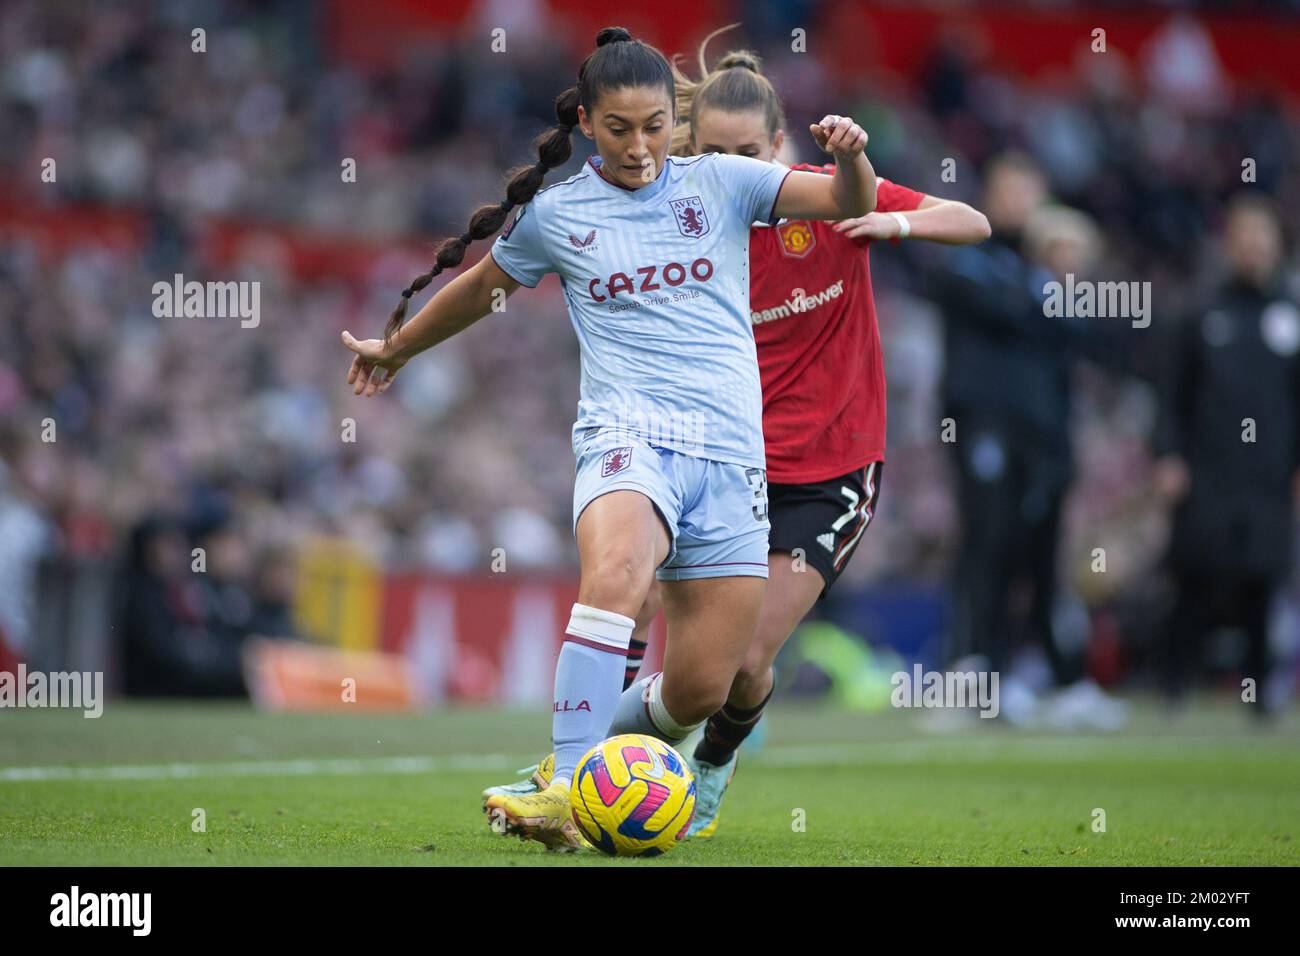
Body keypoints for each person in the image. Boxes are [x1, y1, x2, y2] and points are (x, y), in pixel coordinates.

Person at [341, 26, 878, 849]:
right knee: (619, 571)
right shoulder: (557, 217)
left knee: (702, 686)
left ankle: (585, 766)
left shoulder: (725, 183)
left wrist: (849, 158)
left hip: (733, 461)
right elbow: (484, 288)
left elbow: (850, 206)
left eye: (656, 126)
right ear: (586, 122)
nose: (639, 147)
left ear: (677, 119)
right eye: (620, 128)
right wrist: (400, 348)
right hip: (629, 437)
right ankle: (565, 782)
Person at [483, 25, 989, 838]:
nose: (737, 164)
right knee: (650, 615)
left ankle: (702, 762)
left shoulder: (820, 195)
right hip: (719, 459)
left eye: (752, 149)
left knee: (748, 661)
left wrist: (890, 226)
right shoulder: (690, 216)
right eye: (717, 150)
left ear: (779, 146)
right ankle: (579, 774)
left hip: (828, 464)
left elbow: (970, 219)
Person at [1153, 194, 1300, 718]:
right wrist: (1168, 455)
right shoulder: (1199, 310)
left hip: (1270, 472)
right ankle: (1173, 685)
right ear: (1229, 242)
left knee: (1263, 580)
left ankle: (1259, 692)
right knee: (1193, 576)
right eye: (1244, 234)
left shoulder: (1291, 311)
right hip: (1206, 467)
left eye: (1262, 235)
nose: (1253, 245)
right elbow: (1170, 394)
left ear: (1276, 243)